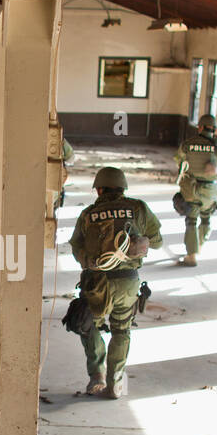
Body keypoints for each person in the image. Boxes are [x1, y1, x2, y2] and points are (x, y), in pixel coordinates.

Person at [68, 166, 163, 399]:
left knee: (87, 324)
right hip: (128, 283)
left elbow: (76, 249)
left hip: (97, 285)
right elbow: (157, 242)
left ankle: (96, 376)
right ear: (123, 188)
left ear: (99, 190)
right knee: (122, 331)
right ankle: (115, 383)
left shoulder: (89, 214)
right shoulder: (138, 208)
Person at [172, 113, 217, 266]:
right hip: (210, 191)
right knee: (206, 217)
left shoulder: (188, 144)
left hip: (191, 190)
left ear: (199, 127)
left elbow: (179, 162)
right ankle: (199, 246)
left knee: (191, 220)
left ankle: (191, 255)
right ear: (215, 129)